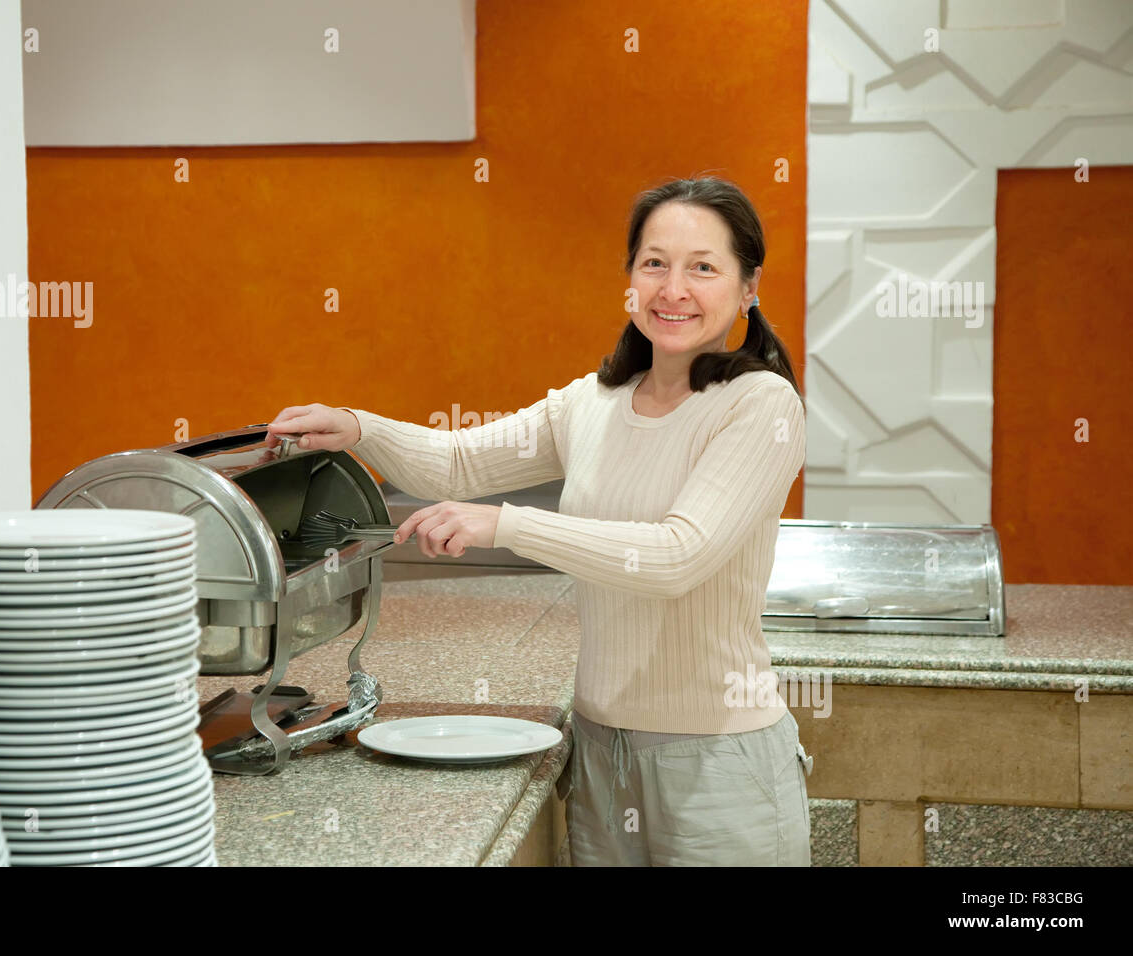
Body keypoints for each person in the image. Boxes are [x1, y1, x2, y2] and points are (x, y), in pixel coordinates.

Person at [264, 175, 813, 866]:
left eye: (703, 268)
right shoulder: (595, 400)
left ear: (748, 287)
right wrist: (356, 427)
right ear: (630, 279)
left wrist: (508, 527)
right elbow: (459, 462)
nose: (673, 289)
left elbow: (678, 557)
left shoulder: (760, 405)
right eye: (654, 263)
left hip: (720, 762)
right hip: (601, 749)